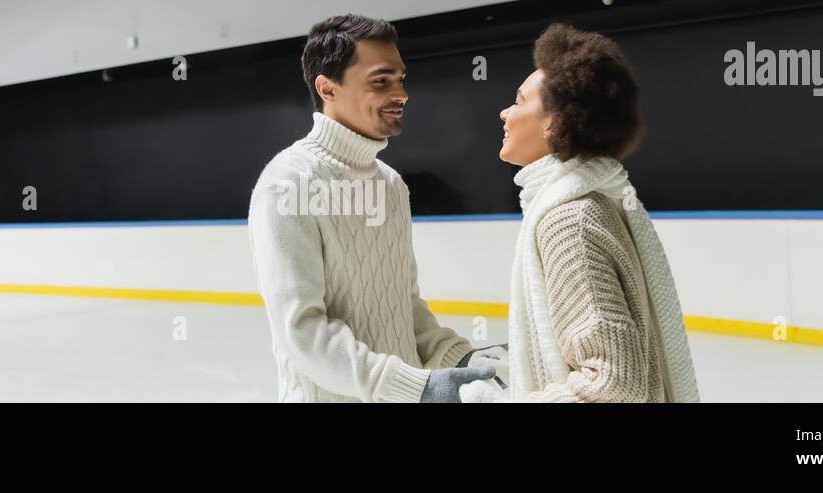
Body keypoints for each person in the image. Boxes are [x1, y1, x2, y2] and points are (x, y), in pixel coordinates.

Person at [247, 14, 498, 403]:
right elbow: (304, 332)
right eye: (381, 81)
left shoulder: (391, 185)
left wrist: (462, 357)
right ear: (327, 89)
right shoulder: (287, 184)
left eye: (401, 78)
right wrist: (416, 388)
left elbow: (404, 307)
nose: (401, 93)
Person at [462, 23, 699, 403]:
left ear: (556, 122)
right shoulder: (591, 202)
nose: (505, 113)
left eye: (520, 101)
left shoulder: (568, 221)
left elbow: (614, 385)